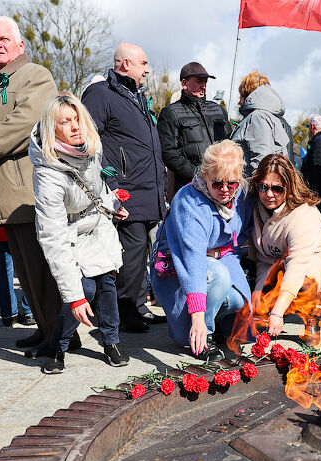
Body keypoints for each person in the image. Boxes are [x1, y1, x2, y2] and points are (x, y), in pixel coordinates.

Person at [0, 15, 62, 351]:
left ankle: (58, 336)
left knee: (41, 269)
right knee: (25, 270)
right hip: (6, 194)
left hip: (27, 191)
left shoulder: (35, 75)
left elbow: (25, 122)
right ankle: (46, 329)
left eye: (3, 38)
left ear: (20, 43)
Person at [31, 92, 130, 373]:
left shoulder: (90, 149)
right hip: (69, 234)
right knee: (82, 290)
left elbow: (96, 191)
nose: (75, 127)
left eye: (77, 119)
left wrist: (113, 204)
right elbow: (52, 234)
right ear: (52, 128)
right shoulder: (47, 172)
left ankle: (111, 341)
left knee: (107, 283)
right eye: (65, 121)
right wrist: (74, 297)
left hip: (97, 227)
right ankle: (58, 346)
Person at [82, 43, 168, 334]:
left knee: (141, 250)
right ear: (125, 64)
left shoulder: (137, 97)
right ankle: (123, 309)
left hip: (148, 190)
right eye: (143, 63)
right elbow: (90, 143)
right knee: (131, 252)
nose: (147, 69)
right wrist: (113, 187)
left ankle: (137, 306)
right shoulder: (101, 94)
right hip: (127, 192)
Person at [151, 139, 254, 360]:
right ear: (204, 175)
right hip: (180, 267)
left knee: (240, 301)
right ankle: (201, 334)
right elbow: (193, 260)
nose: (225, 190)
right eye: (217, 183)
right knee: (219, 276)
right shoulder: (188, 201)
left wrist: (220, 251)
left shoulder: (241, 196)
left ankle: (213, 324)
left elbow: (242, 232)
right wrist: (198, 318)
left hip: (220, 257)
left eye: (232, 183)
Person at [249, 154, 321, 337]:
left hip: (314, 259)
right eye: (263, 187)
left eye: (277, 188)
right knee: (258, 309)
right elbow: (260, 258)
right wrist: (259, 302)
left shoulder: (302, 214)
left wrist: (277, 313)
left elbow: (297, 266)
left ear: (288, 188)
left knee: (303, 281)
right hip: (275, 261)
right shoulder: (254, 208)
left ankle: (311, 317)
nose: (269, 194)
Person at [157, 61, 232, 197]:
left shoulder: (218, 110)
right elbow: (168, 152)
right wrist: (199, 174)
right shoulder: (170, 113)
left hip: (222, 186)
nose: (203, 86)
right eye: (199, 81)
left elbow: (231, 144)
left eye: (205, 82)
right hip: (190, 189)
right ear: (184, 83)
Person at [231, 71, 293, 178]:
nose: (239, 102)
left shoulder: (258, 117)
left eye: (241, 95)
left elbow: (261, 161)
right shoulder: (273, 118)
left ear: (247, 93)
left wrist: (259, 190)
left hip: (253, 190)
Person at [299, 114, 321, 239]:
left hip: (320, 191)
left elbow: (317, 168)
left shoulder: (319, 141)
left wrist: (312, 191)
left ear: (312, 126)